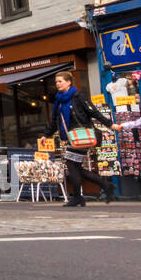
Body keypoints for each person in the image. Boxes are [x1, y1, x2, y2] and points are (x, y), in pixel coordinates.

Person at [49, 70, 115, 207]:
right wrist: (46, 134)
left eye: (60, 81)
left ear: (68, 82)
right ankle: (103, 186)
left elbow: (93, 112)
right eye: (56, 82)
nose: (57, 84)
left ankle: (79, 196)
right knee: (75, 167)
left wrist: (110, 124)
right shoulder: (59, 101)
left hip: (81, 136)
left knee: (72, 165)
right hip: (70, 138)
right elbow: (55, 120)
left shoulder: (78, 96)